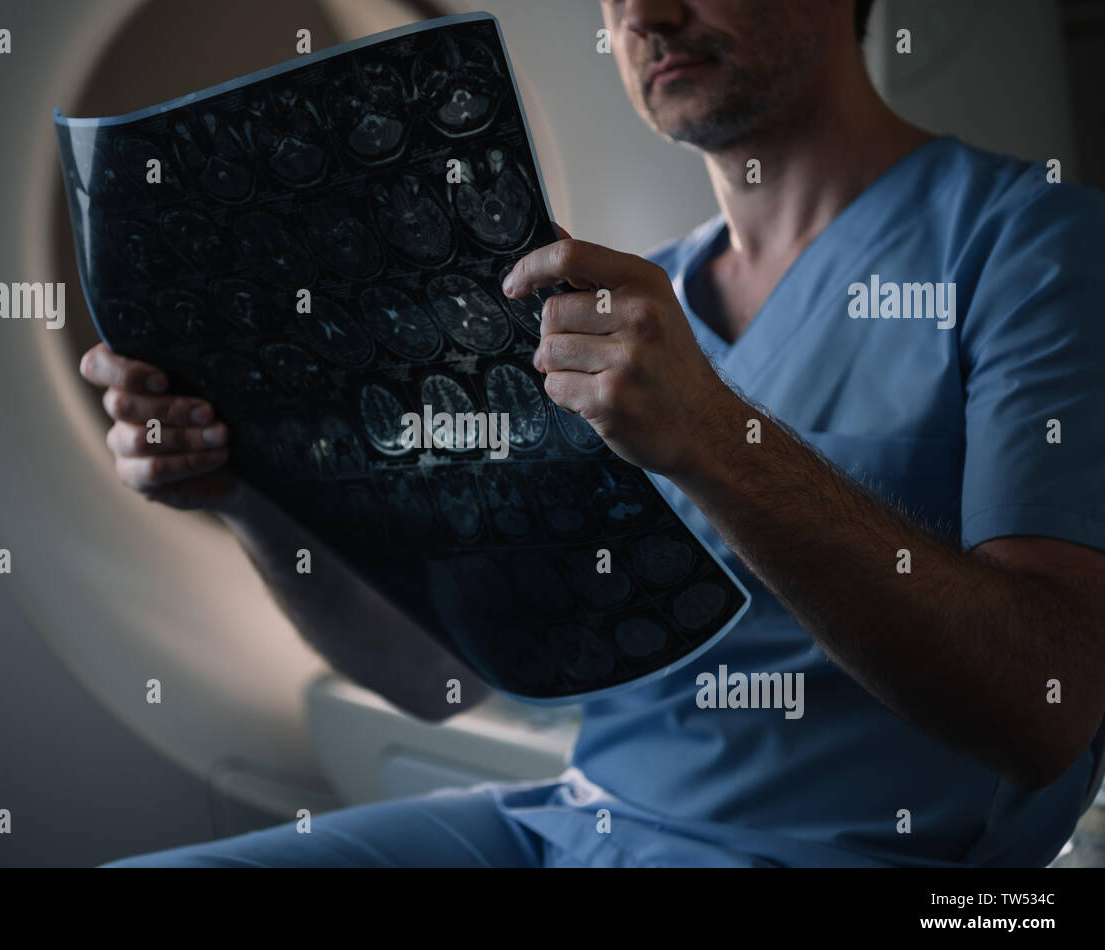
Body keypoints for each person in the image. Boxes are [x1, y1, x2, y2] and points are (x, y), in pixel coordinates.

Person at [80, 0, 1105, 866]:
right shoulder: (616, 307)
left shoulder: (1028, 246)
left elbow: (1043, 710)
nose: (643, 16)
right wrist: (245, 494)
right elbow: (438, 681)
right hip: (570, 829)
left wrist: (710, 434)